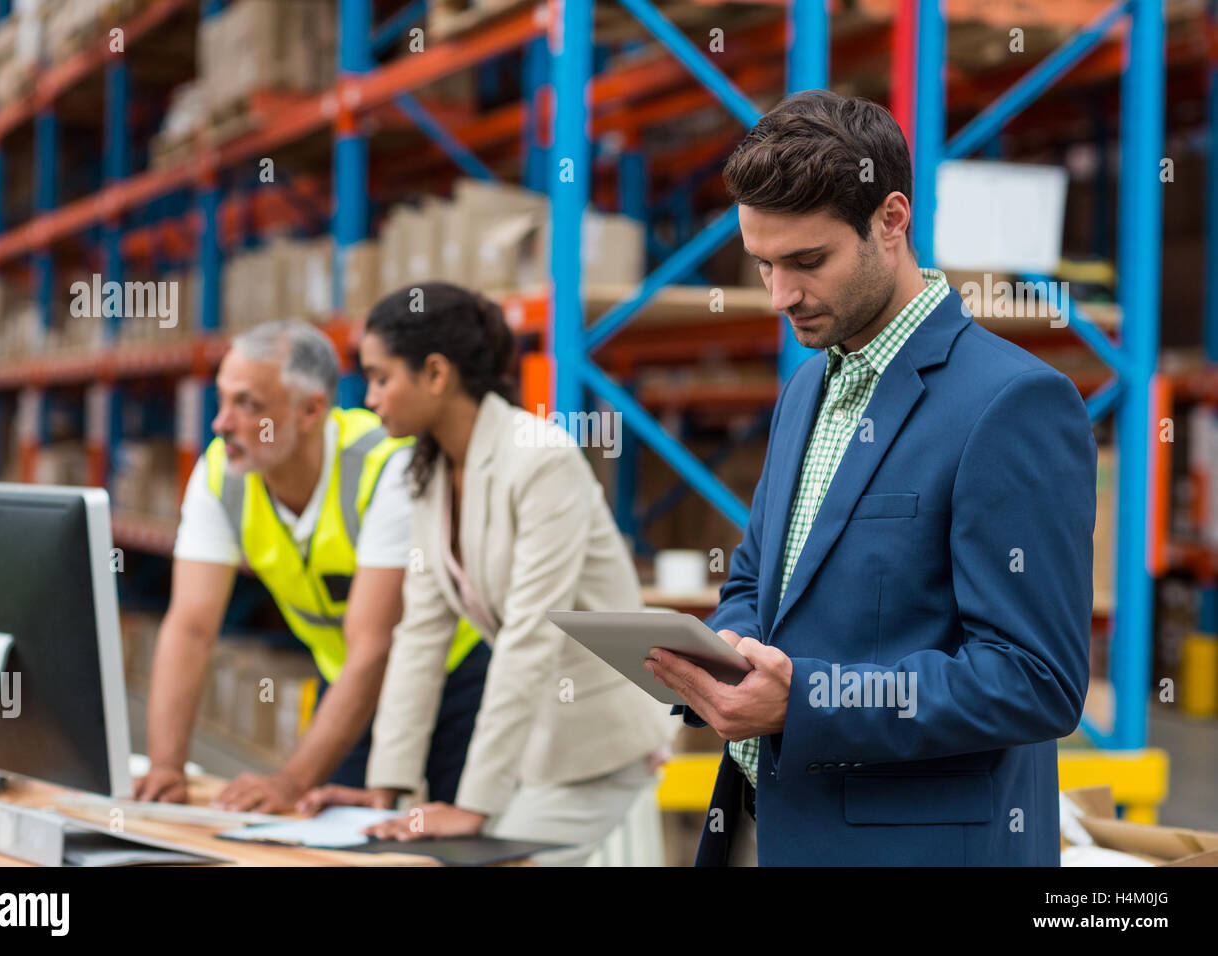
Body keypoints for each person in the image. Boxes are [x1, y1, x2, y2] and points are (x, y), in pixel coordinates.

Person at [645, 90, 1096, 866]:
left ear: (892, 221)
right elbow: (757, 583)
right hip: (769, 826)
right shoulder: (806, 389)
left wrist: (809, 700)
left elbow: (1034, 679)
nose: (780, 295)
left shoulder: (1012, 403)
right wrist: (726, 660)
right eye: (762, 265)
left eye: (807, 262)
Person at [297, 283, 677, 865]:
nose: (369, 398)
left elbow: (531, 638)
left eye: (380, 377)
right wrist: (387, 788)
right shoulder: (427, 471)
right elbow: (420, 636)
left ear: (435, 374)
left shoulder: (541, 459)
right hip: (532, 745)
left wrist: (472, 806)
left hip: (596, 745)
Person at [133, 319, 489, 812]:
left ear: (311, 411)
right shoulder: (223, 474)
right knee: (333, 836)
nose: (221, 424)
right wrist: (166, 769)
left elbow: (374, 645)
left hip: (456, 676)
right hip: (347, 678)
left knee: (466, 842)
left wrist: (289, 781)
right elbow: (191, 626)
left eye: (247, 405)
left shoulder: (386, 466)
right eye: (222, 400)